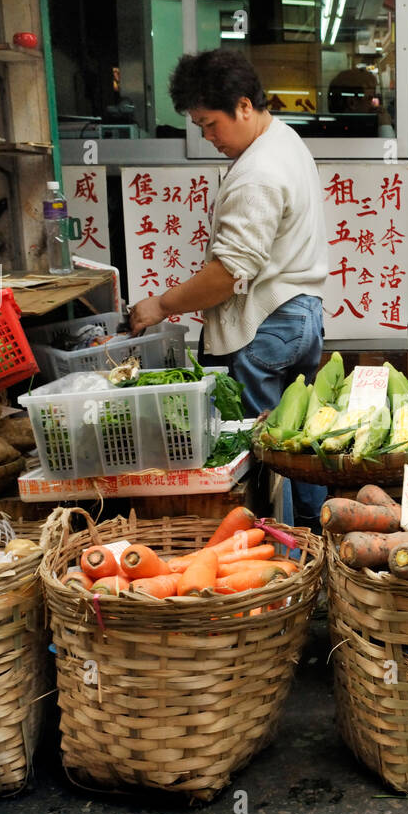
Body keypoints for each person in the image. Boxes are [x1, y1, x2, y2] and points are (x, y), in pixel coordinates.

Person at [129, 49, 328, 526]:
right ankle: (321, 540)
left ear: (243, 106)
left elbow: (228, 273)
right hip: (300, 315)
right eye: (199, 126)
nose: (207, 136)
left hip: (264, 326)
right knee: (300, 445)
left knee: (267, 460)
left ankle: (288, 557)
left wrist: (160, 305)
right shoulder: (283, 139)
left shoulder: (257, 174)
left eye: (209, 123)